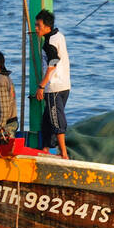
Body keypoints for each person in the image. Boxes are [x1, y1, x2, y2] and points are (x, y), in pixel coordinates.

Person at [34, 9, 71, 158]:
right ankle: (45, 150)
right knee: (47, 119)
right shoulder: (59, 35)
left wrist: (41, 86)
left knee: (56, 121)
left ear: (47, 27)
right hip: (65, 85)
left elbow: (53, 63)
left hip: (54, 87)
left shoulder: (49, 42)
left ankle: (64, 153)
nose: (36, 28)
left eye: (38, 26)